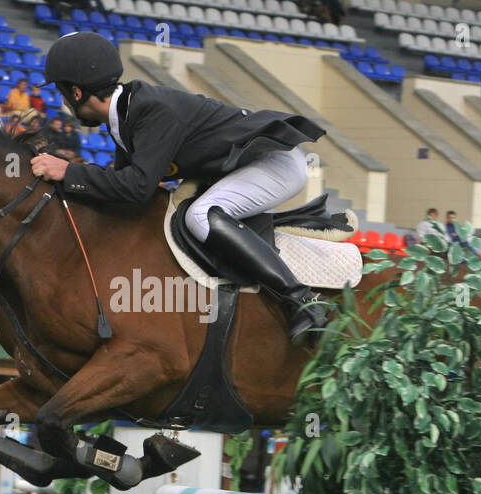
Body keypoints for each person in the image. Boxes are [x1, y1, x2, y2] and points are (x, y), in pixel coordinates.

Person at [28, 32, 329, 346]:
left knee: (200, 216)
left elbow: (137, 188)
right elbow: (121, 193)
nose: (63, 103)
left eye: (63, 94)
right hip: (240, 166)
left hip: (274, 163)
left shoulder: (150, 110)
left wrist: (68, 170)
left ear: (76, 92)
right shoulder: (127, 116)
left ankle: (303, 300)